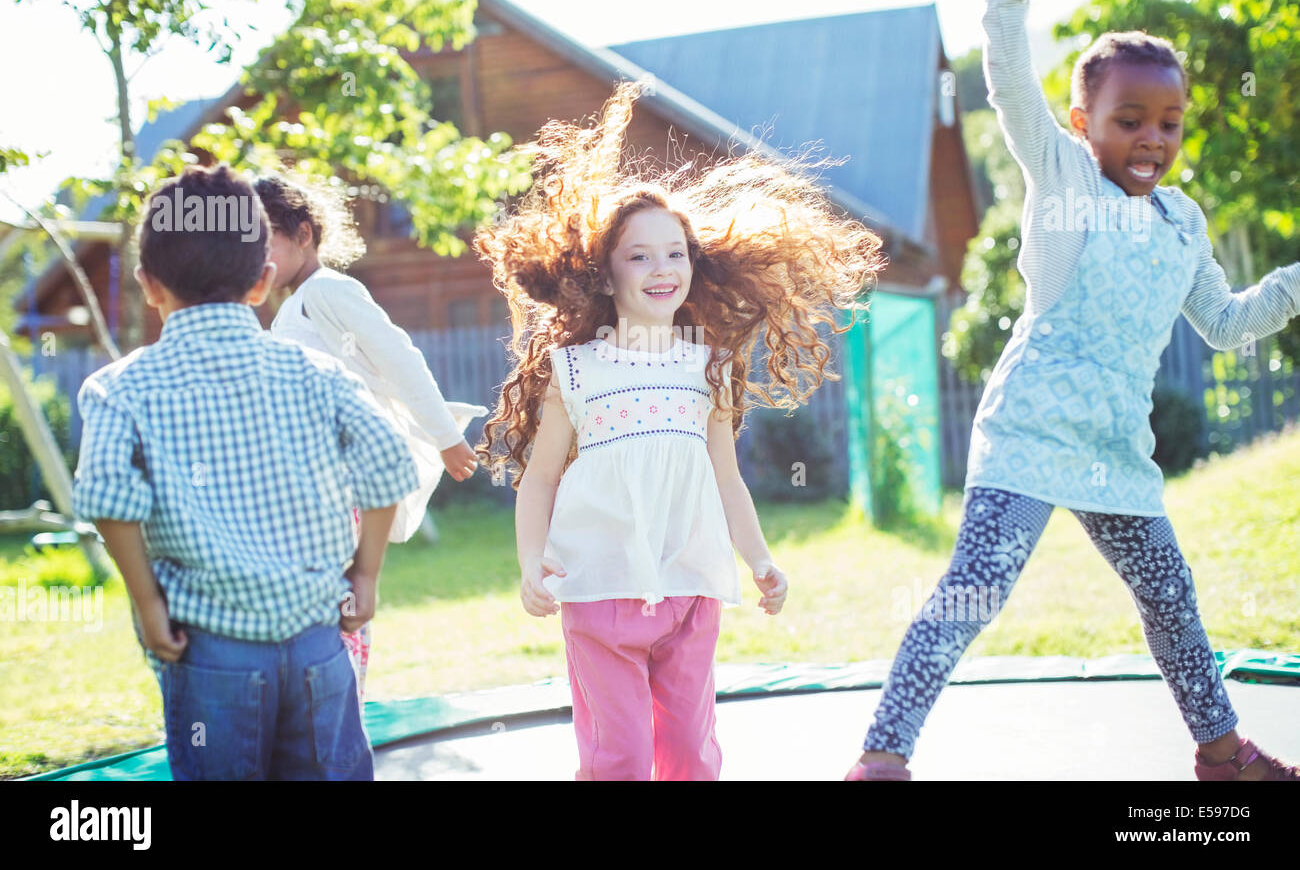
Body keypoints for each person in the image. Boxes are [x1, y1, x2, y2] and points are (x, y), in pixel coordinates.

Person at [847, 0, 1300, 781]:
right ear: (1083, 119)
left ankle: (1220, 753)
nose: (1151, 139)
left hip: (1116, 453)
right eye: (1129, 119)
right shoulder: (1064, 182)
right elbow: (1011, 85)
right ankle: (882, 756)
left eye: (1168, 123)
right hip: (1029, 437)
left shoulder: (1181, 222)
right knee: (972, 593)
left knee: (1170, 596)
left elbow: (1227, 321)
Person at [475, 83, 885, 780]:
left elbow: (727, 478)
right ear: (604, 274)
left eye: (675, 255)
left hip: (689, 587)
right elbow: (540, 478)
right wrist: (530, 562)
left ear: (694, 266)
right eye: (639, 256)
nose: (662, 269)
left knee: (691, 755)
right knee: (621, 757)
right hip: (598, 586)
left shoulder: (709, 366)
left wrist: (760, 560)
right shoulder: (575, 370)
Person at [73, 164, 419, 780]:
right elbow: (389, 462)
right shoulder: (315, 374)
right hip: (319, 646)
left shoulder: (120, 389)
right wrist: (364, 575)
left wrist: (149, 606)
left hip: (209, 656)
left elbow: (108, 501)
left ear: (150, 286)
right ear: (262, 282)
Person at [256, 173, 486, 694]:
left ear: (303, 234)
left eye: (264, 238)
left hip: (341, 484)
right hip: (309, 484)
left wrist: (446, 435)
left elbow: (401, 359)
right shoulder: (292, 308)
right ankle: (323, 701)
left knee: (337, 599)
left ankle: (340, 703)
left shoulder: (329, 291)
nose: (254, 256)